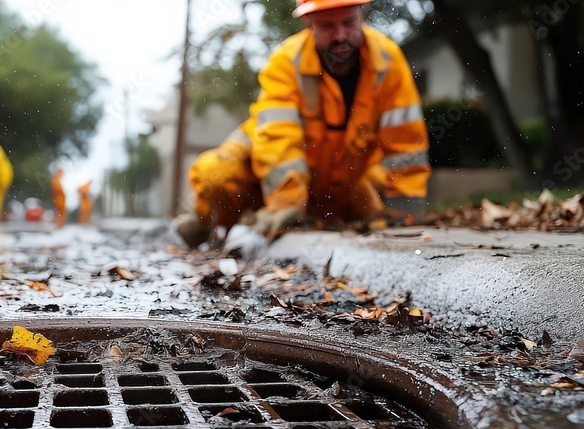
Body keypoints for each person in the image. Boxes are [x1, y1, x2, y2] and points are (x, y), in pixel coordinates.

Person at [174, 0, 431, 248]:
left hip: (340, 187)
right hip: (261, 177)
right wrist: (287, 204)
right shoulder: (286, 62)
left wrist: (403, 215)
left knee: (372, 212)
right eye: (327, 26)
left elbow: (406, 145)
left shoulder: (387, 62)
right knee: (214, 175)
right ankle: (204, 223)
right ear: (308, 23)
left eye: (349, 22)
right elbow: (278, 140)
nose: (340, 35)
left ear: (362, 13)